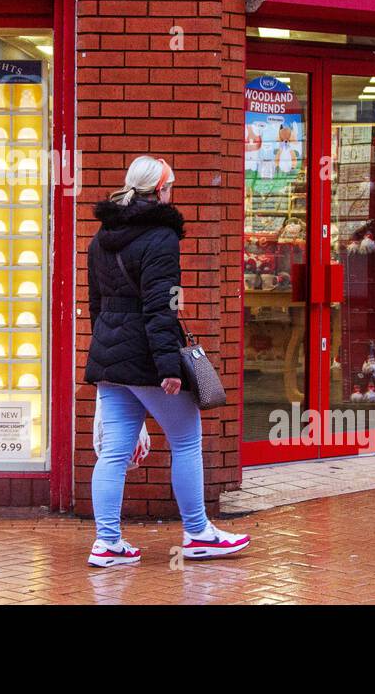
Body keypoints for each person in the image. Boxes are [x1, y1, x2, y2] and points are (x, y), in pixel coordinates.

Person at [84, 156, 251, 568]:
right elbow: (162, 309)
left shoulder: (101, 236)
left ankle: (107, 543)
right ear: (159, 190)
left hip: (110, 356)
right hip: (147, 357)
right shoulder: (161, 238)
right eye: (170, 185)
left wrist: (106, 352)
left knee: (114, 454)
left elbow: (96, 305)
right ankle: (197, 533)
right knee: (187, 439)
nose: (172, 191)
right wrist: (169, 369)